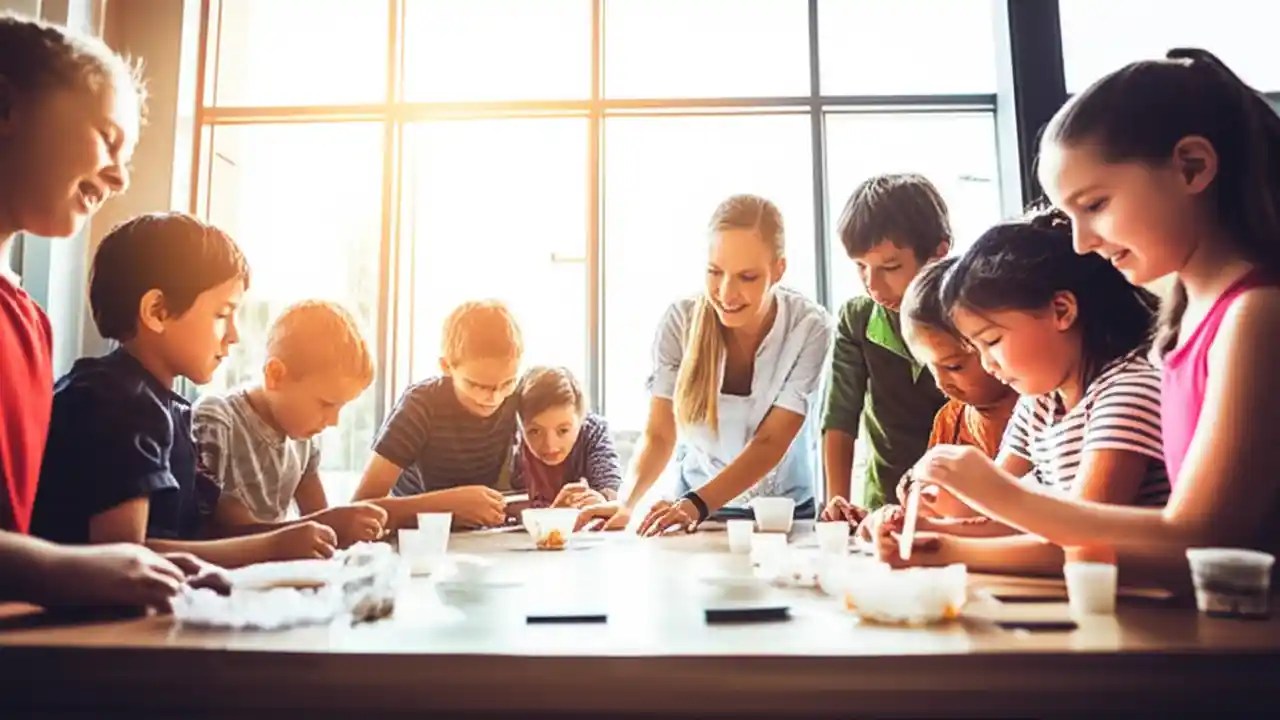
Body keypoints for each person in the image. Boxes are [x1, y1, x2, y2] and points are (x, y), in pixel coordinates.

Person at [900, 49, 1280, 585]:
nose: (1082, 241)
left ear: (1192, 167)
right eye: (1071, 215)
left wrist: (993, 495)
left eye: (1096, 204)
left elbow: (1203, 539)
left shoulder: (1255, 314)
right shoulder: (1189, 324)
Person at [0, 12, 224, 609]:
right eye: (107, 137)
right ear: (7, 106)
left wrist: (105, 566)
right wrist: (58, 570)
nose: (122, 177)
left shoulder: (28, 319)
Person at [32, 213, 338, 567]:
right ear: (157, 311)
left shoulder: (166, 408)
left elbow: (209, 529)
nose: (234, 335)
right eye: (223, 314)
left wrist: (309, 529)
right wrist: (271, 549)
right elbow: (123, 559)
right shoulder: (119, 403)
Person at [578, 194, 834, 536]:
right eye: (715, 272)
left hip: (783, 518)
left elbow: (771, 441)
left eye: (747, 277)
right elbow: (659, 434)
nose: (726, 293)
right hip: (697, 518)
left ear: (778, 270)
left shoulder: (810, 326)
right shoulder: (679, 322)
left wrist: (696, 504)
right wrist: (627, 502)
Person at [194, 300, 387, 547]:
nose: (334, 422)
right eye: (326, 404)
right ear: (275, 375)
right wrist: (331, 523)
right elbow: (219, 526)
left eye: (341, 408)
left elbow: (319, 519)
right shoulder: (217, 419)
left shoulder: (303, 440)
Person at [820, 174, 949, 520]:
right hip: (883, 507)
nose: (872, 285)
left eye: (890, 267)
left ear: (940, 252)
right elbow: (839, 417)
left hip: (958, 505)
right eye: (861, 267)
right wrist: (837, 501)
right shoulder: (858, 319)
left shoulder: (971, 313)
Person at [352, 300, 520, 530]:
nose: (494, 397)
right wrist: (447, 505)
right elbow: (359, 508)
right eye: (477, 385)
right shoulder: (420, 406)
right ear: (446, 366)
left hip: (479, 539)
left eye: (508, 383)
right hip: (418, 541)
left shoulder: (517, 397)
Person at [511, 366, 621, 509]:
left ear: (581, 420)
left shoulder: (594, 432)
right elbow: (512, 508)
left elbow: (609, 487)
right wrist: (555, 512)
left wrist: (600, 500)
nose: (550, 446)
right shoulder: (513, 442)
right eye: (535, 431)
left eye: (563, 430)